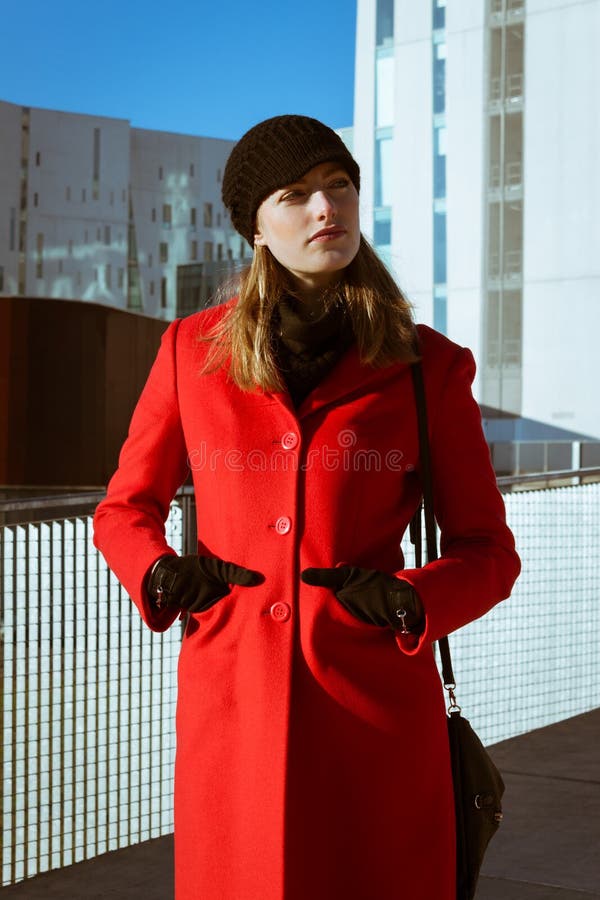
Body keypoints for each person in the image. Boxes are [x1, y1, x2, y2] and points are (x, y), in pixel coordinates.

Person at [93, 115, 520, 900]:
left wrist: (409, 599)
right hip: (235, 708)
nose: (327, 208)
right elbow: (124, 509)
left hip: (377, 711)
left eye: (340, 186)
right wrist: (160, 575)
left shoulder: (430, 365)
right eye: (297, 194)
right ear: (256, 227)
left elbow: (490, 551)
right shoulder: (190, 352)